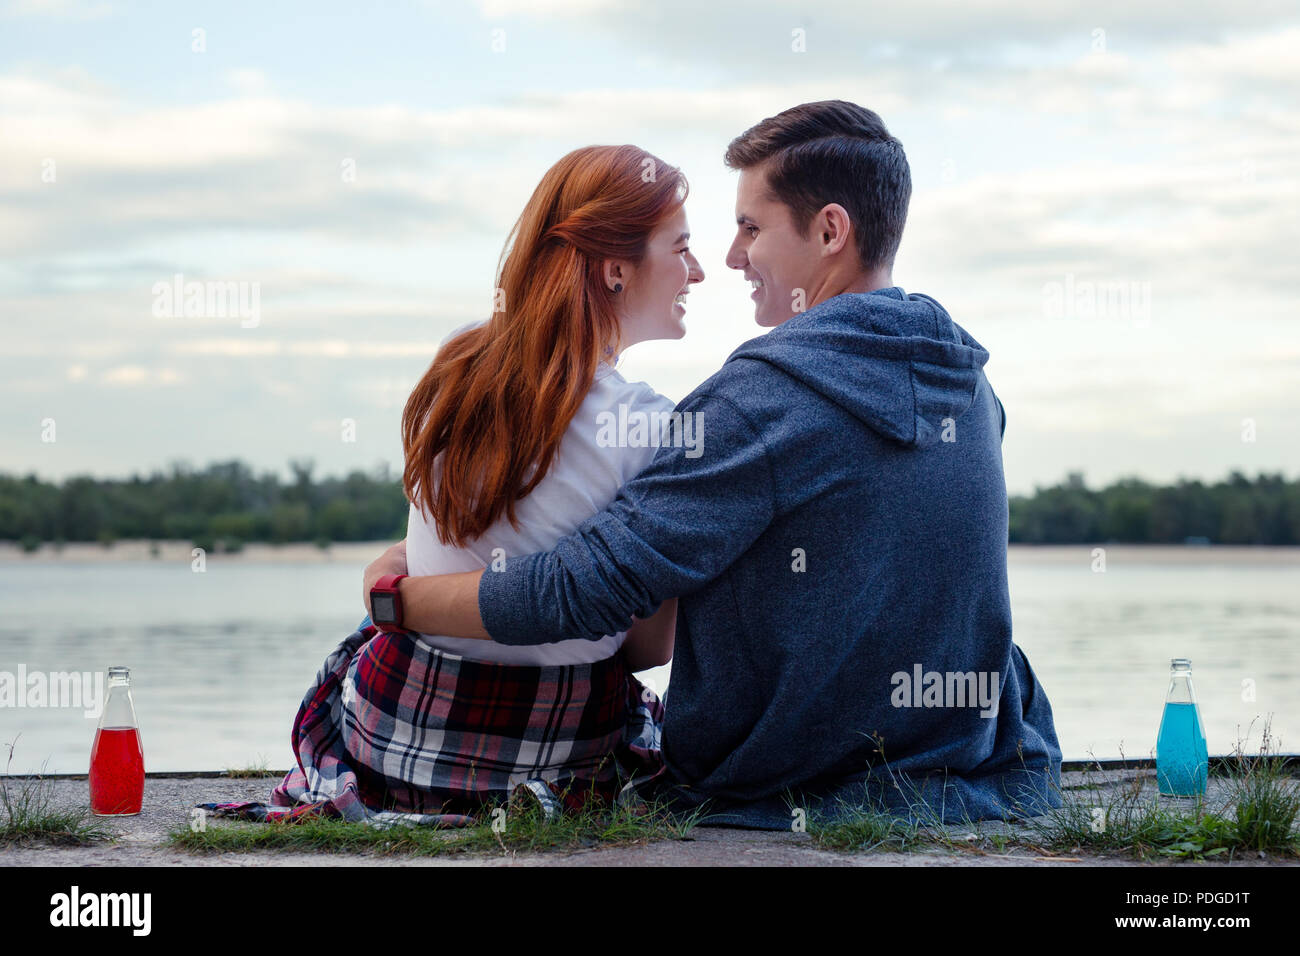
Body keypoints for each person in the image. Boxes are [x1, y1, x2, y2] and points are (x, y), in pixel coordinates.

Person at [361, 100, 1064, 829]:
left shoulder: (759, 401)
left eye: (751, 228)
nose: (730, 258)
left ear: (830, 231)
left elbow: (582, 588)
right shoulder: (972, 384)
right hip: (970, 753)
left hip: (785, 775)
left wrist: (396, 599)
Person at [201, 144, 705, 827]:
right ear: (616, 269)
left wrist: (395, 593)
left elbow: (445, 538)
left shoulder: (463, 360)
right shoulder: (649, 426)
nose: (697, 272)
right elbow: (650, 649)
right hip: (554, 749)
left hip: (394, 733)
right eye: (680, 248)